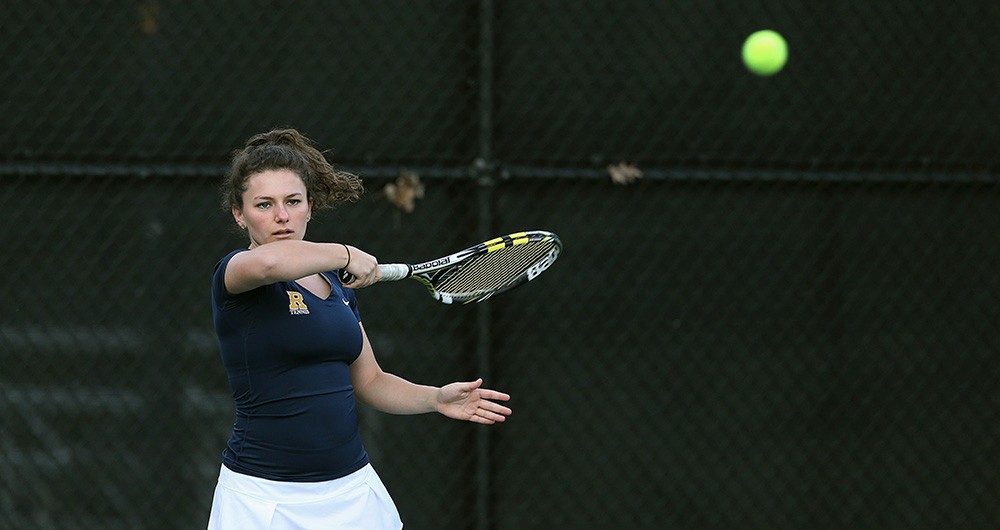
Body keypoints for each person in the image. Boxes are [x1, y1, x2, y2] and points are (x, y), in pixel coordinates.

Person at [207, 128, 512, 529]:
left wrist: (435, 398)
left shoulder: (337, 286)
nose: (281, 216)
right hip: (264, 500)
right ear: (239, 213)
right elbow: (270, 263)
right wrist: (346, 253)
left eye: (293, 202)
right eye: (264, 204)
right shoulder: (236, 273)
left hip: (352, 493)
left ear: (310, 207)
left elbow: (370, 380)